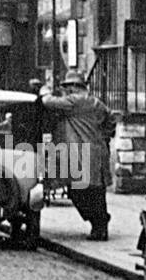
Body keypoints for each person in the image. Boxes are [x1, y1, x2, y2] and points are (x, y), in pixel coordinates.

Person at [40, 69, 120, 240]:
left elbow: (48, 102)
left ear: (75, 87)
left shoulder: (75, 101)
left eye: (68, 87)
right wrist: (105, 136)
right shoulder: (96, 103)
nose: (66, 90)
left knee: (77, 191)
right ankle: (100, 226)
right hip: (97, 153)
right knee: (97, 192)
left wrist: (45, 90)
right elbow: (111, 119)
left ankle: (99, 222)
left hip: (82, 155)